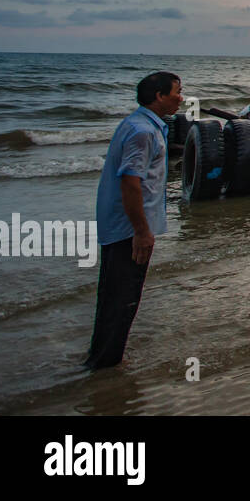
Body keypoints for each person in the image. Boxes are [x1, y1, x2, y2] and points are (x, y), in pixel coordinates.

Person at [86, 71, 182, 370]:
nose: (182, 97)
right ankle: (106, 364)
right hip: (129, 228)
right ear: (159, 96)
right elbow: (130, 181)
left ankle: (102, 358)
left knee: (115, 296)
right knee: (122, 299)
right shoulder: (142, 131)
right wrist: (141, 231)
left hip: (123, 225)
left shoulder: (142, 125)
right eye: (177, 91)